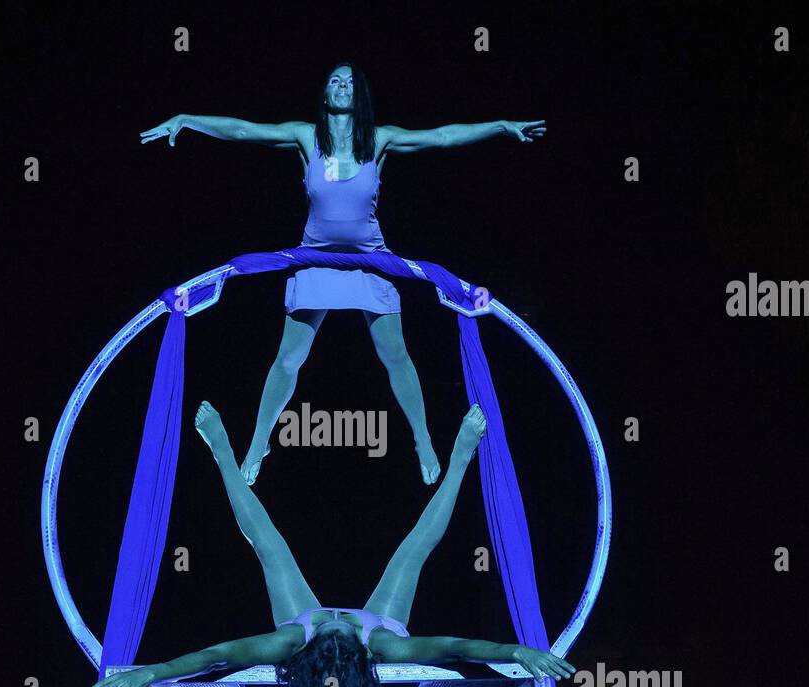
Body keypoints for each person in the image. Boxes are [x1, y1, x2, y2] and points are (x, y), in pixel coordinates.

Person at [92, 402, 573, 687]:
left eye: (335, 641)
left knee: (268, 544)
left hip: (299, 616)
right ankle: (461, 457)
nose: (340, 628)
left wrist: (150, 672)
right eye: (344, 643)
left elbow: (216, 655)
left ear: (317, 651)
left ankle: (221, 449)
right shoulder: (381, 644)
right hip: (382, 619)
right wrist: (517, 653)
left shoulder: (293, 640)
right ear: (358, 657)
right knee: (416, 548)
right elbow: (455, 646)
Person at [140, 62, 546, 487]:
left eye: (350, 81)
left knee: (396, 354)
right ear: (324, 93)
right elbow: (243, 131)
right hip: (315, 258)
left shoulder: (379, 141)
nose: (342, 85)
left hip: (371, 259)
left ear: (360, 95)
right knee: (288, 358)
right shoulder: (305, 137)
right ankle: (260, 440)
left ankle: (422, 439)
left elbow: (442, 138)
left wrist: (500, 125)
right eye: (335, 80)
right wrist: (186, 120)